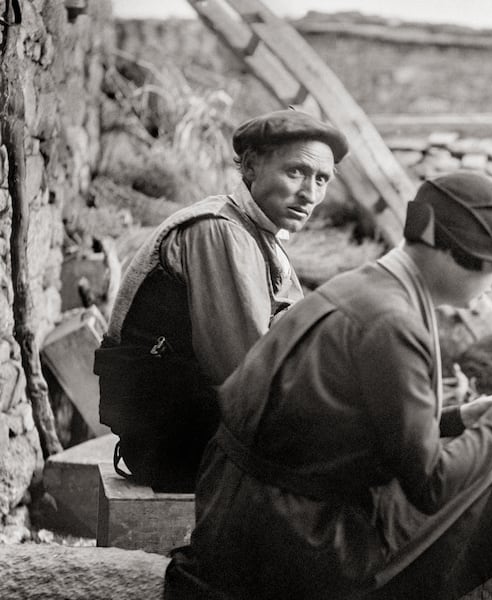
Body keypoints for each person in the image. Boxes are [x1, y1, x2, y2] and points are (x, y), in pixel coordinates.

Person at [163, 171, 492, 600]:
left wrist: (462, 418)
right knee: (477, 475)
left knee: (473, 442)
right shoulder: (394, 322)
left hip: (234, 511)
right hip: (283, 540)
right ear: (449, 253)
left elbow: (344, 426)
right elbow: (432, 484)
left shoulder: (364, 286)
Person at [95, 109, 348, 491]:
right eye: (295, 172)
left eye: (321, 179)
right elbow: (243, 374)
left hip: (196, 429)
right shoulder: (219, 231)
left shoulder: (258, 234)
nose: (309, 194)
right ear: (250, 167)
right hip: (174, 443)